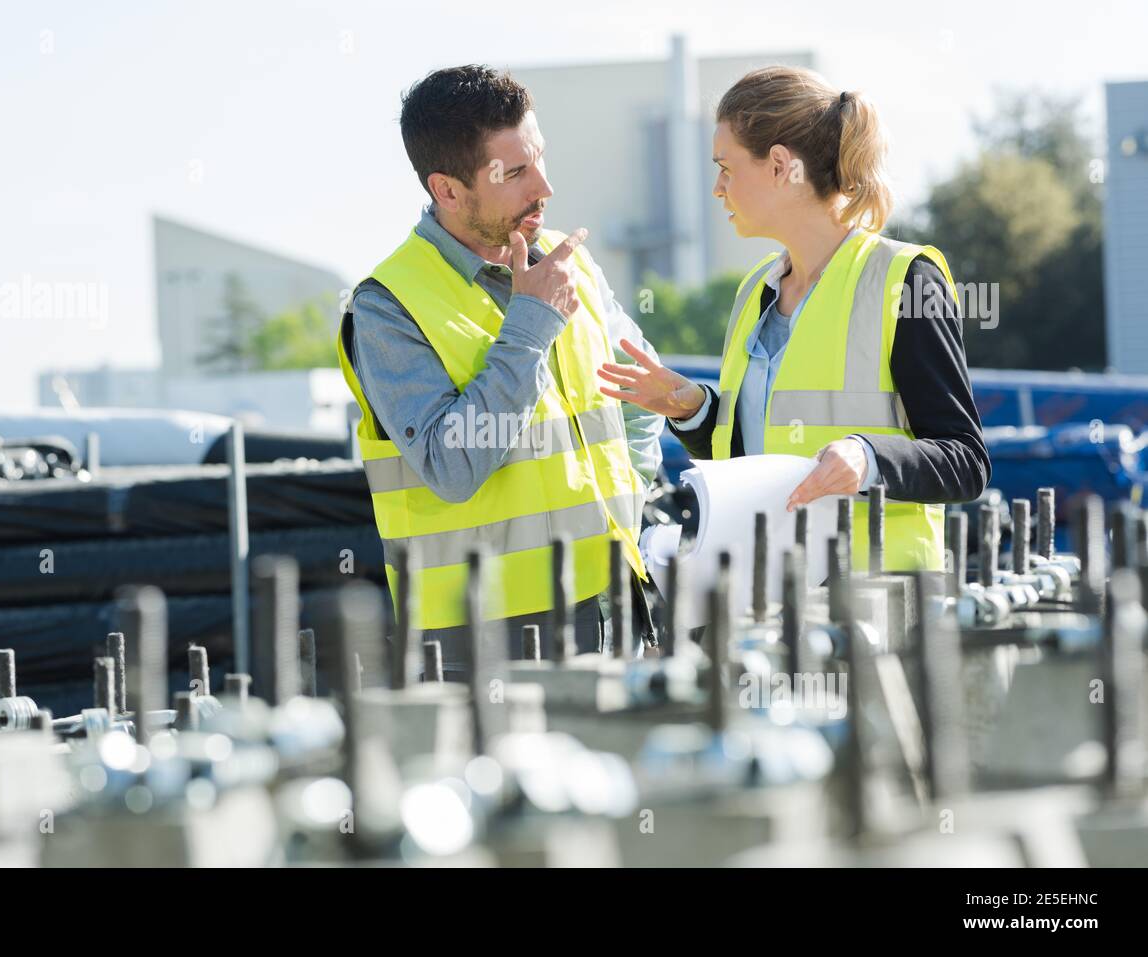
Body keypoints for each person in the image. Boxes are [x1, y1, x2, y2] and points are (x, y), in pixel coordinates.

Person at [336, 65, 664, 677]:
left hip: (613, 603)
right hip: (483, 639)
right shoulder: (386, 307)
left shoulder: (574, 264)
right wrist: (529, 326)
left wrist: (630, 501)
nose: (544, 186)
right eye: (514, 173)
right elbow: (452, 466)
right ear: (449, 190)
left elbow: (640, 394)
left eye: (537, 159)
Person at [598, 66, 989, 571]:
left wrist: (866, 458)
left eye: (726, 167)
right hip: (768, 597)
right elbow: (754, 456)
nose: (718, 188)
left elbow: (965, 460)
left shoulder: (904, 280)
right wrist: (692, 409)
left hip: (878, 606)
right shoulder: (754, 292)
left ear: (780, 165)